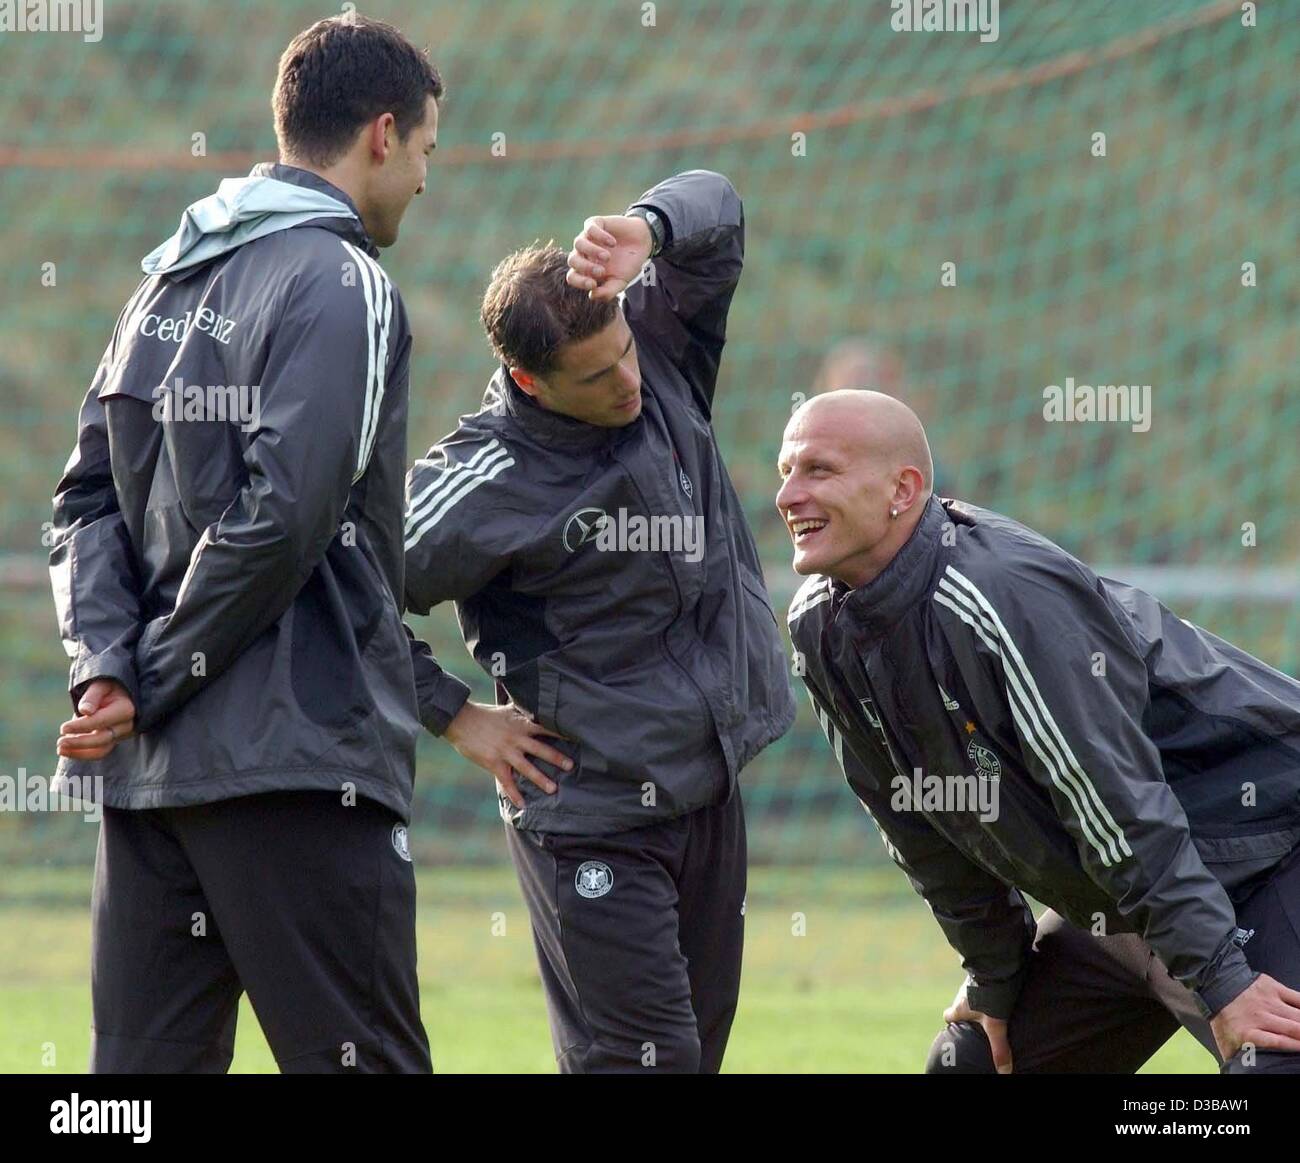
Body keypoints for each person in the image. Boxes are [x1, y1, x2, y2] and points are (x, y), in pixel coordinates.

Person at [50, 14, 461, 1073]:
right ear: (381, 134)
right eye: (424, 150)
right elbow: (289, 513)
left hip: (151, 780)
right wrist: (146, 672)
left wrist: (104, 673)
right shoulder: (345, 283)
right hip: (299, 764)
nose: (423, 179)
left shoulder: (158, 291)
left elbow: (80, 505)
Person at [779, 389, 1300, 1074]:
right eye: (786, 469)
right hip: (1125, 896)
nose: (788, 493)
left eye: (819, 469)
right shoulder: (819, 625)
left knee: (1270, 1062)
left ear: (903, 489)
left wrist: (1225, 981)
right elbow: (919, 824)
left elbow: (1120, 806)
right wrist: (995, 976)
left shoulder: (999, 595)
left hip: (1261, 854)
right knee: (972, 1065)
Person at [403, 170, 796, 1072]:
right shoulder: (479, 483)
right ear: (527, 379)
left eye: (624, 351)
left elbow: (721, 207)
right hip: (593, 817)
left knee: (693, 1056)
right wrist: (457, 716)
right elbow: (329, 585)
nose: (630, 381)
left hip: (708, 792)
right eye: (596, 374)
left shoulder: (656, 349)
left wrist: (646, 228)